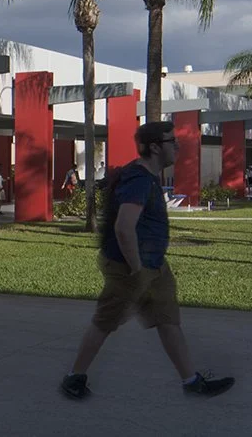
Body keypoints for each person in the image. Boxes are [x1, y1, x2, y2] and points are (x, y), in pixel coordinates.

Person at [60, 122, 235, 401]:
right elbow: (123, 227)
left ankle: (191, 381)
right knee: (105, 321)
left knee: (168, 320)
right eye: (171, 141)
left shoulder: (149, 175)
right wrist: (137, 268)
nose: (177, 146)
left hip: (154, 265)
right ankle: (74, 378)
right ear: (155, 147)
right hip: (129, 268)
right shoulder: (139, 179)